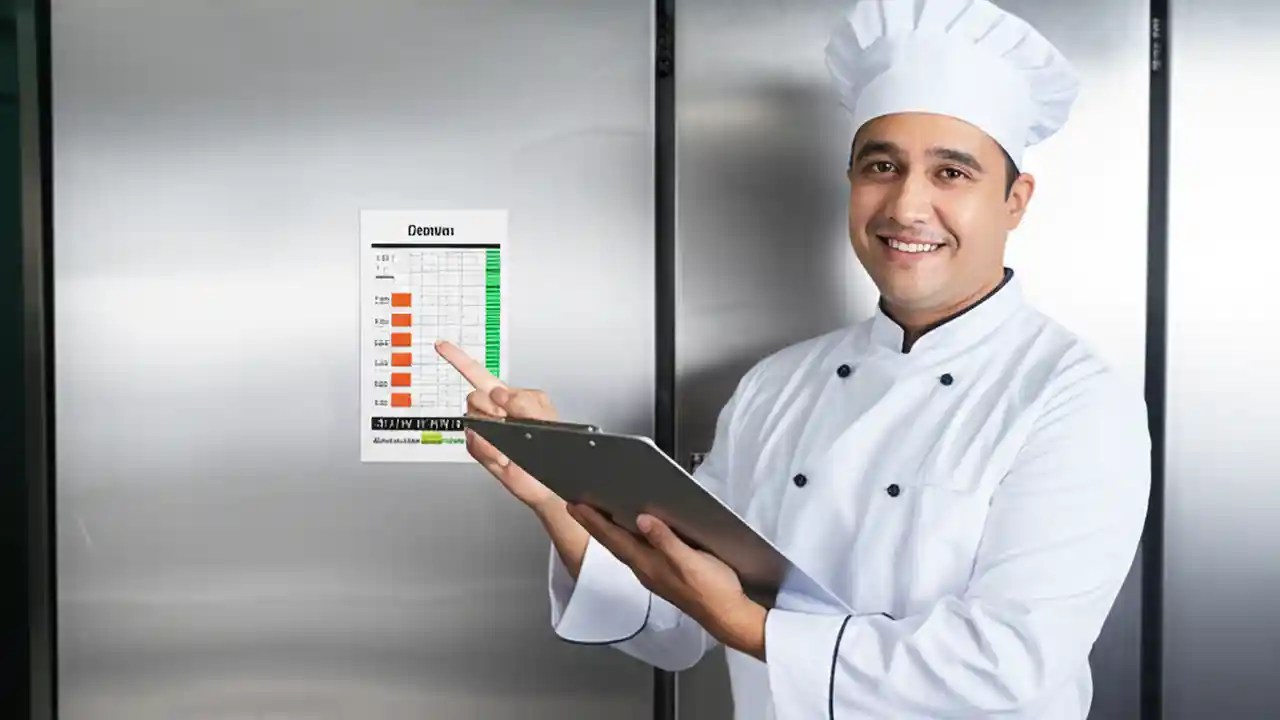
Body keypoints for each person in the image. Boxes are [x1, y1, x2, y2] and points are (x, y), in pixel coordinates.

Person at [437, 0, 1151, 716]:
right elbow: (678, 614)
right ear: (851, 182)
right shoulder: (778, 386)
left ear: (1016, 200)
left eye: (951, 174)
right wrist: (563, 500)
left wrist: (751, 626)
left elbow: (1006, 667)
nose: (906, 206)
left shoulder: (1074, 400)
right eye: (882, 165)